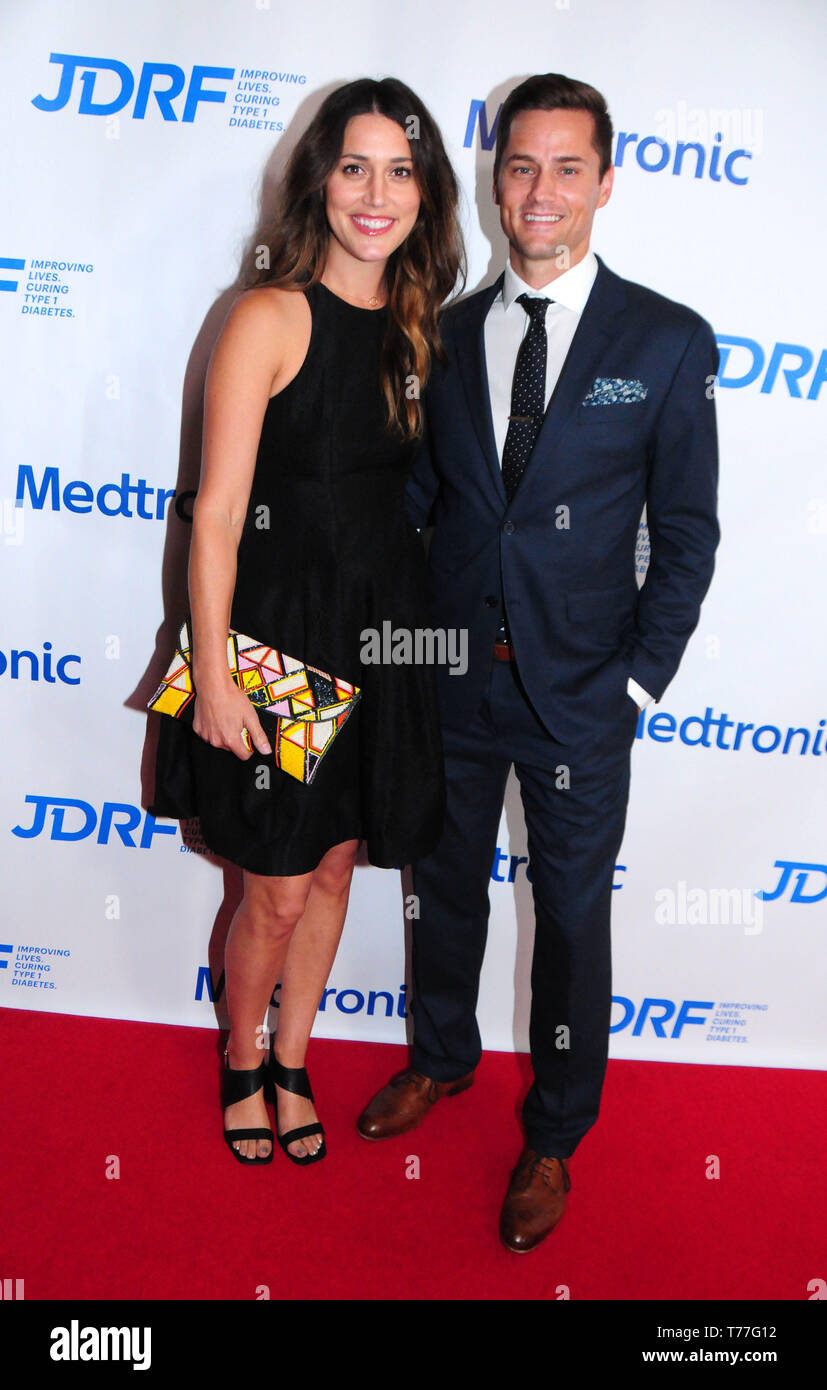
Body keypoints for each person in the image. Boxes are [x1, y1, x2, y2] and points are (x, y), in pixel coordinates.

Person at [357, 73, 720, 1249]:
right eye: (521, 166)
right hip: (453, 682)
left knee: (566, 919)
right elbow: (424, 506)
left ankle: (555, 1134)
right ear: (494, 177)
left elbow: (688, 530)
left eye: (568, 167)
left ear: (604, 182)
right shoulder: (450, 331)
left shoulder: (663, 341)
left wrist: (633, 680)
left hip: (578, 699)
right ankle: (440, 1058)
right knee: (443, 890)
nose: (541, 191)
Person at [150, 78, 463, 1167]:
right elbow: (218, 514)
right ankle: (241, 1059)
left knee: (331, 872)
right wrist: (220, 674)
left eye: (399, 170)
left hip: (381, 637)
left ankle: (294, 1057)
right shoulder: (267, 314)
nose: (374, 194)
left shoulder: (422, 328)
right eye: (352, 167)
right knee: (274, 890)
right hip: (276, 644)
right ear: (317, 180)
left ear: (425, 191)